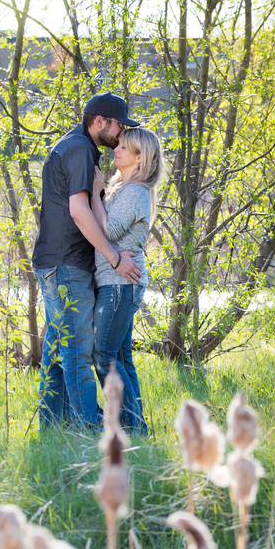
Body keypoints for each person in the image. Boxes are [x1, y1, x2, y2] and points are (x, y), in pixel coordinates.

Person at [32, 92, 142, 429]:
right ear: (99, 122)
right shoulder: (80, 150)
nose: (121, 132)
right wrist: (114, 258)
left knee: (56, 352)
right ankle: (88, 432)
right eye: (118, 124)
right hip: (67, 265)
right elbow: (78, 211)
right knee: (78, 353)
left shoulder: (75, 145)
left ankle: (53, 428)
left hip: (55, 262)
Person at [90, 127, 163, 435]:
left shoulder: (134, 191)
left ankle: (128, 426)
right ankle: (137, 429)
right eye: (117, 144)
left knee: (102, 355)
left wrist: (94, 192)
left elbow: (108, 229)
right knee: (122, 357)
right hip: (120, 285)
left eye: (122, 147)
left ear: (139, 157)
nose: (115, 149)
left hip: (119, 286)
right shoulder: (128, 189)